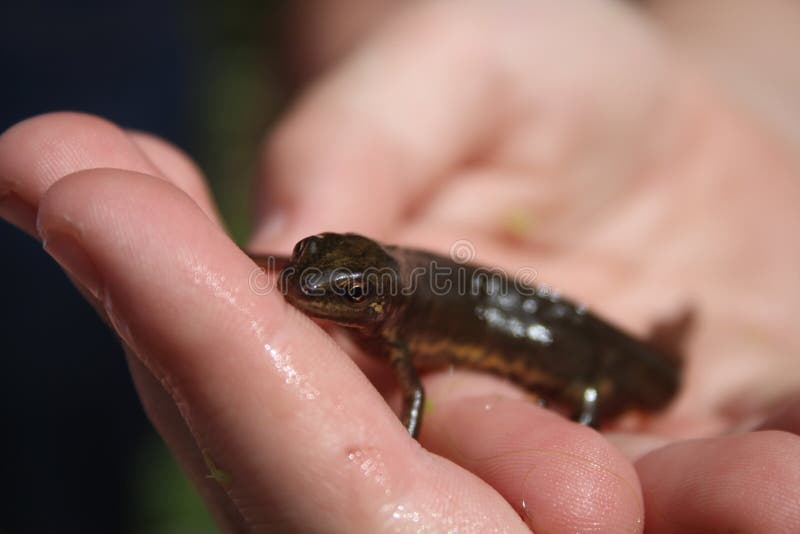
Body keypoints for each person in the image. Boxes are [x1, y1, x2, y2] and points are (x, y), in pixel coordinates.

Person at [2, 1, 799, 531]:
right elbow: (308, 269)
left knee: (591, 385)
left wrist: (425, 438)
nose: (310, 289)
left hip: (602, 369)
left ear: (379, 305)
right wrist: (261, 261)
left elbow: (410, 393)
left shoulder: (401, 332)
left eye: (345, 292)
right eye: (305, 266)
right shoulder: (366, 291)